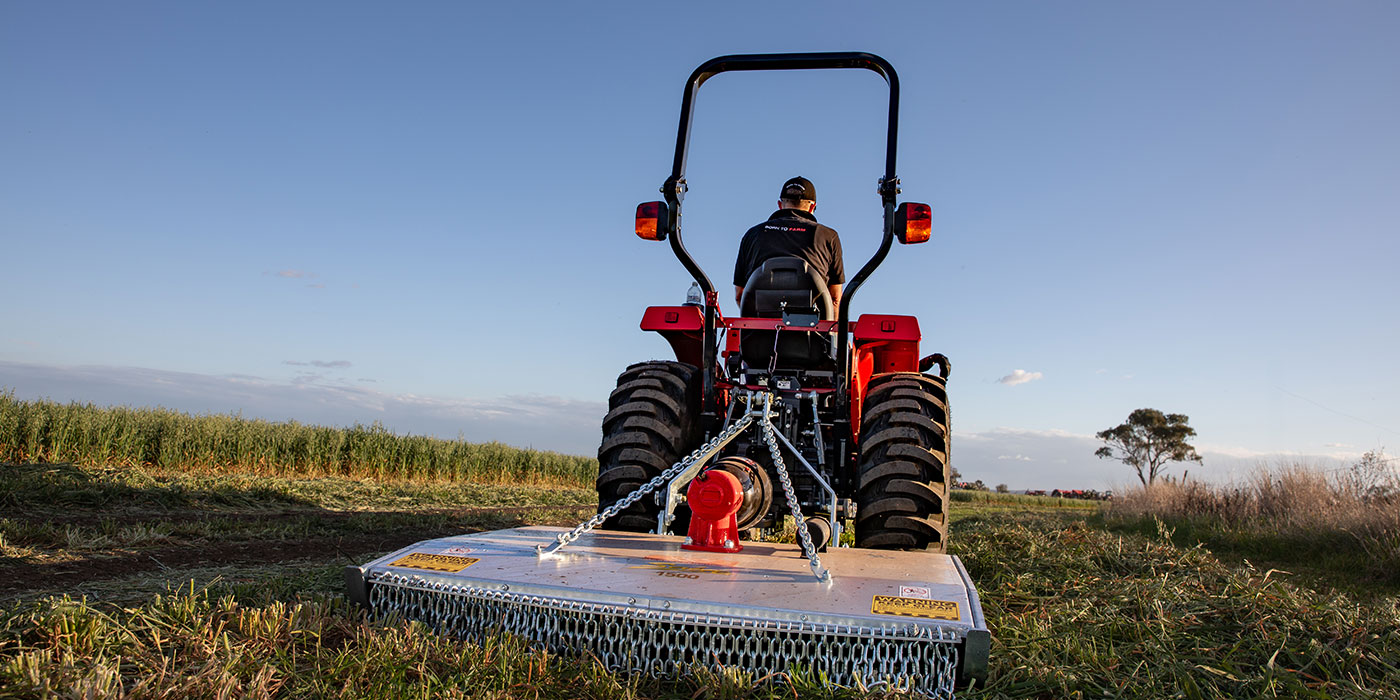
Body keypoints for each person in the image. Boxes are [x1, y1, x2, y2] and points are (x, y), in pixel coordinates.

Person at [732, 176, 845, 312]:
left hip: (759, 329)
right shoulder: (828, 236)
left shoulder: (752, 234)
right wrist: (832, 332)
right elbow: (835, 298)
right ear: (812, 207)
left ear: (780, 205)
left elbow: (740, 295)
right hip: (814, 328)